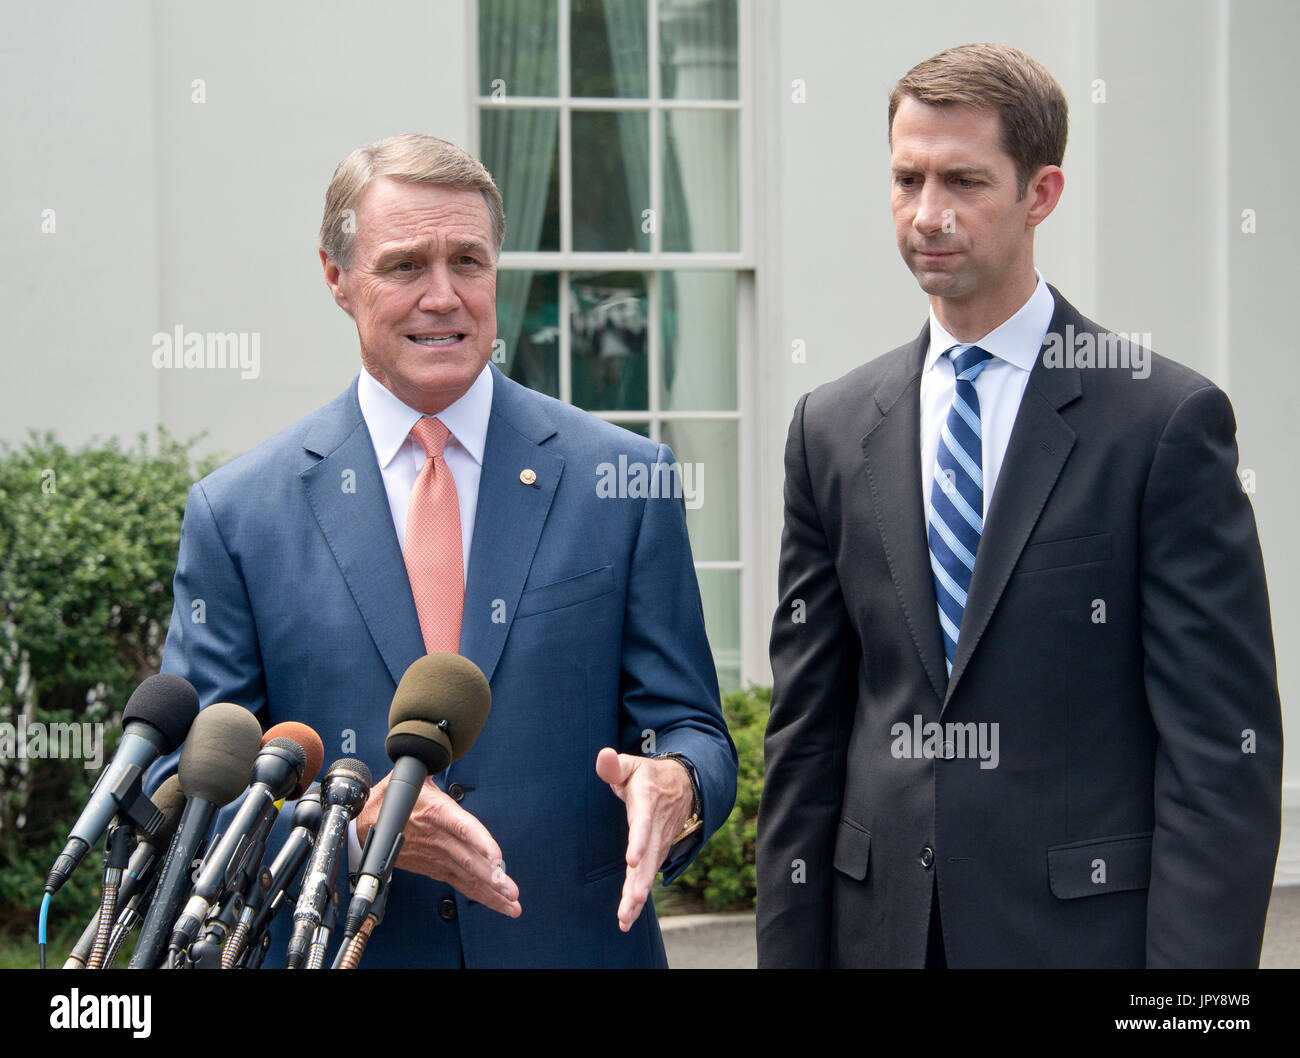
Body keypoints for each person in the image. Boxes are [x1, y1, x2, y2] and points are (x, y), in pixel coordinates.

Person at [755, 43, 1282, 968]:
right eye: (906, 178)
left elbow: (1219, 762)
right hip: (876, 938)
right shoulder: (828, 429)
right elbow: (807, 739)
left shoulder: (1164, 423)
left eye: (964, 181)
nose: (927, 215)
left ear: (1041, 193)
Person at [158, 134, 737, 968]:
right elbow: (191, 791)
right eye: (404, 267)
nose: (444, 297)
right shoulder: (240, 514)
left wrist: (677, 785)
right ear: (336, 277)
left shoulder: (624, 480)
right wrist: (352, 829)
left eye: (468, 260)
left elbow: (691, 727)